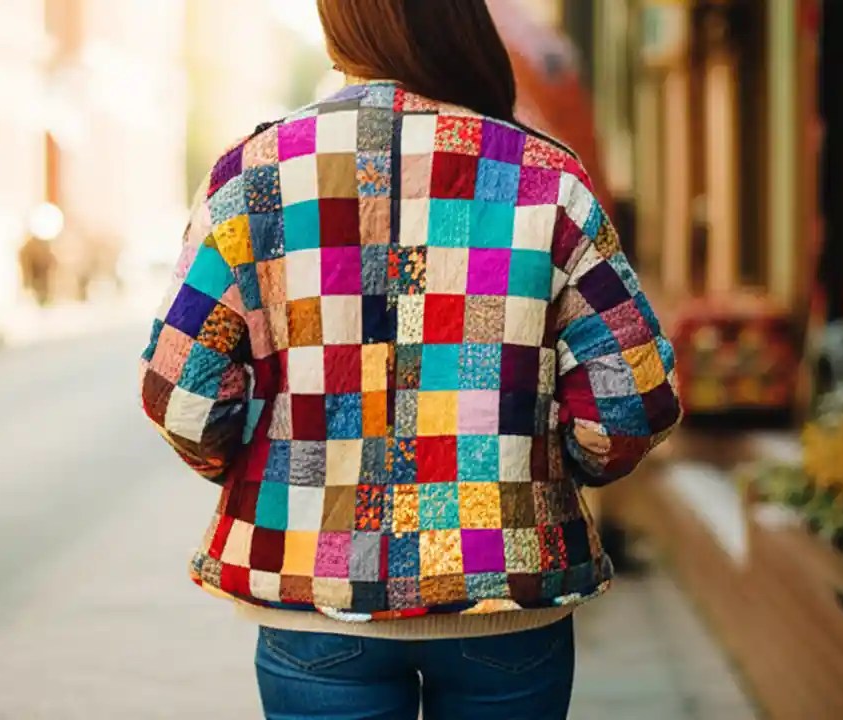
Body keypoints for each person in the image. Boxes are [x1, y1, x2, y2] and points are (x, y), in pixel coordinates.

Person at [139, 1, 681, 717]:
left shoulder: (254, 178)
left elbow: (182, 397)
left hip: (317, 594)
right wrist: (542, 472)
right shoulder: (545, 179)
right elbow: (632, 401)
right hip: (505, 593)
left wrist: (257, 465)